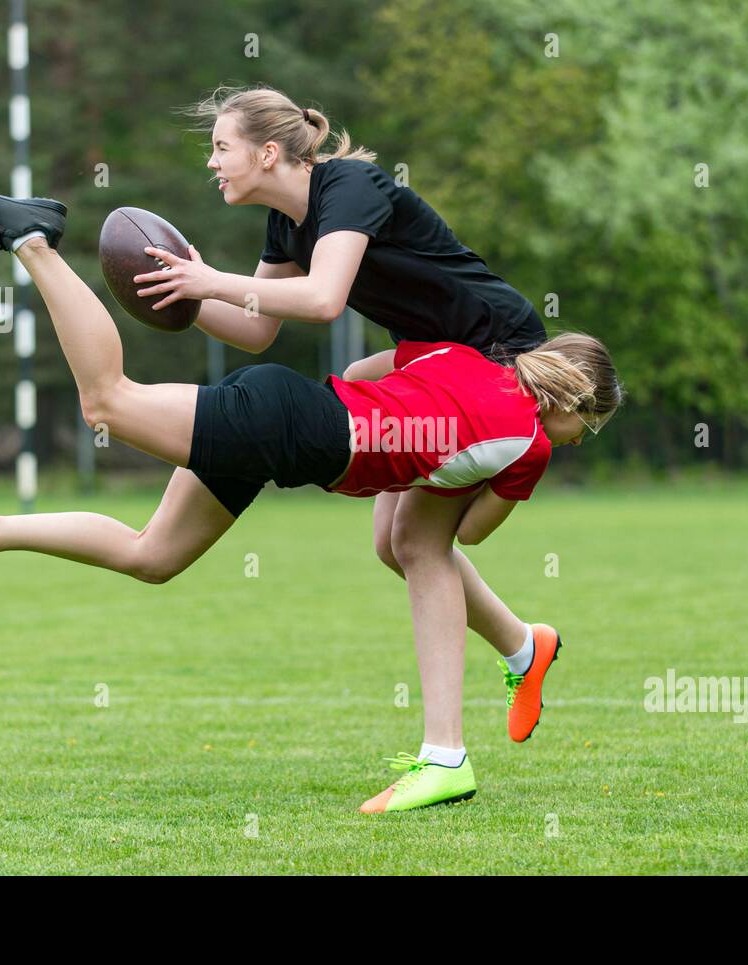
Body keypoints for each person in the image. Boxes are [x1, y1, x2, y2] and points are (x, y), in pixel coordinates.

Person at [0, 190, 621, 811]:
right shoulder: (529, 448)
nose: (576, 441)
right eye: (585, 428)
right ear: (574, 404)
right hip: (282, 433)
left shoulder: (463, 359)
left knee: (155, 554)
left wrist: (418, 434)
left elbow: (361, 374)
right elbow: (469, 536)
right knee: (106, 399)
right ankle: (34, 242)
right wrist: (446, 460)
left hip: (292, 413)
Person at [133, 85, 568, 768]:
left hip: (490, 360)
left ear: (268, 151)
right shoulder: (288, 221)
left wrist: (209, 280)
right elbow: (254, 328)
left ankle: (446, 753)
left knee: (416, 545)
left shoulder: (351, 187)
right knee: (396, 546)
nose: (212, 164)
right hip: (431, 365)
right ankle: (523, 647)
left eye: (221, 148)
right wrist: (175, 292)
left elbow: (323, 298)